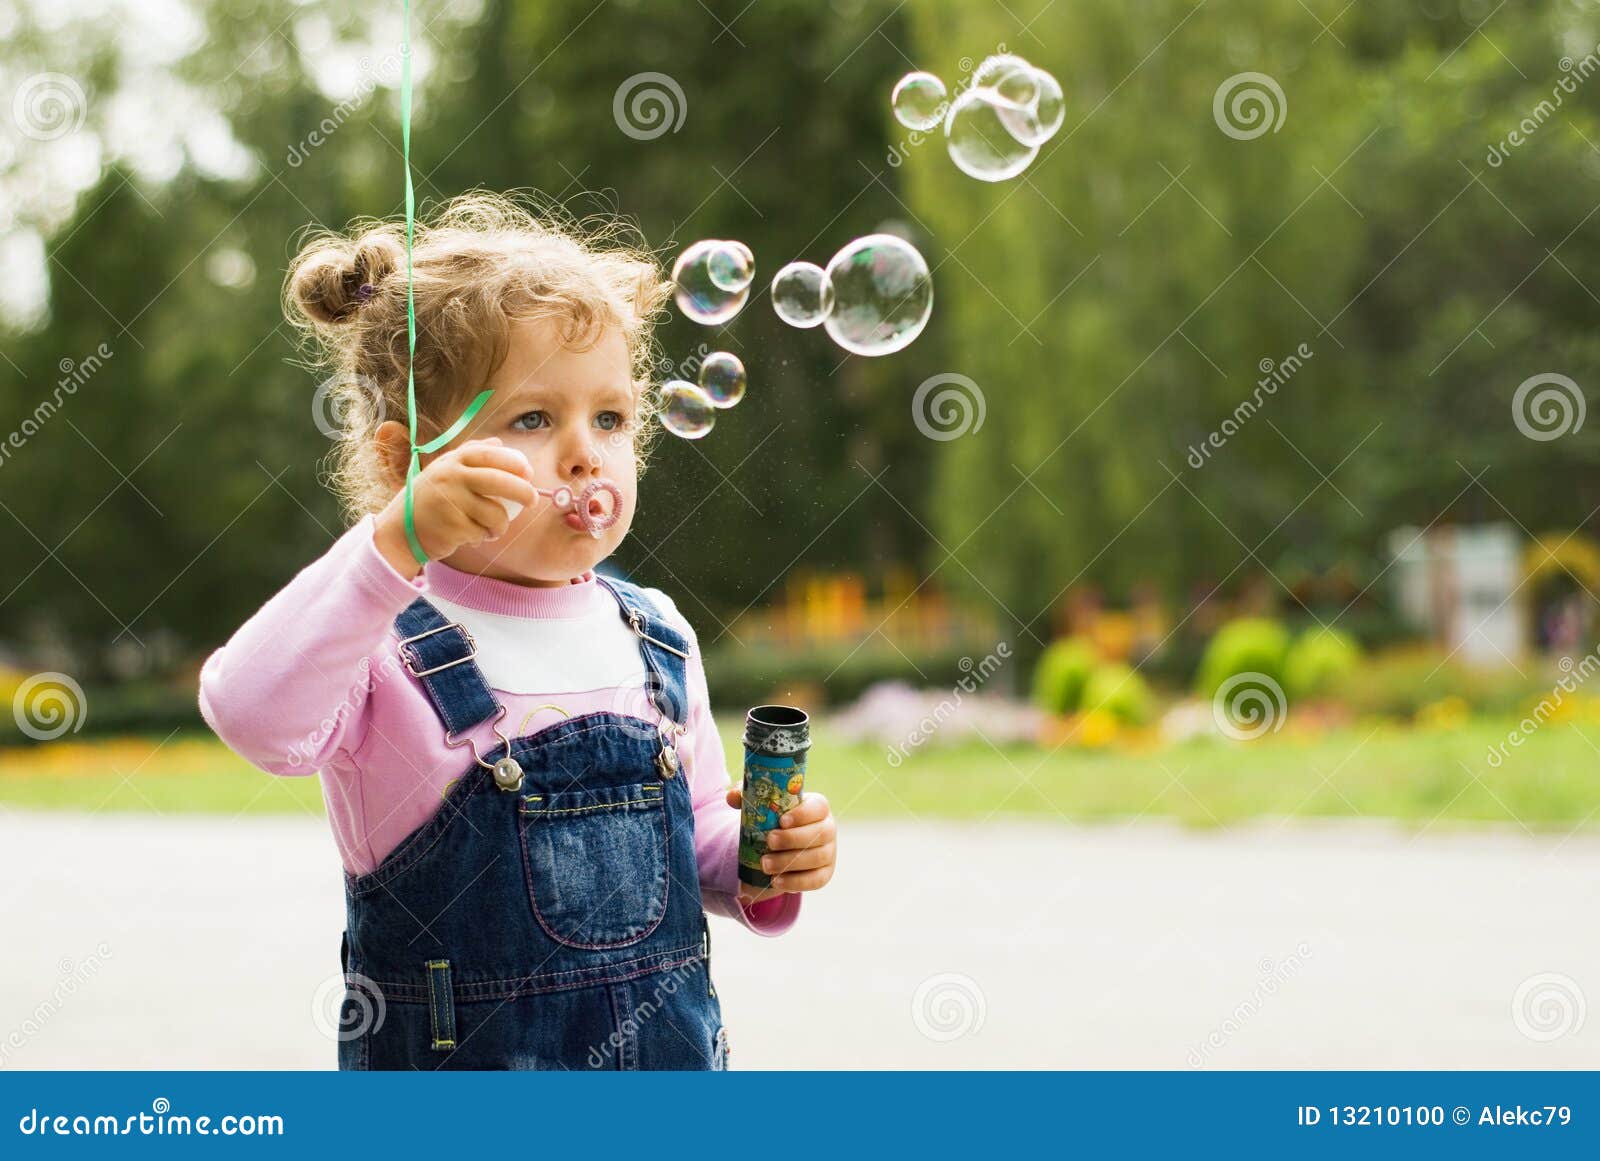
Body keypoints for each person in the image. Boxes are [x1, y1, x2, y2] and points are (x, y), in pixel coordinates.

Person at [198, 192, 837, 1069]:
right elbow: (248, 710)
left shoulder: (655, 634)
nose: (585, 452)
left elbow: (693, 845)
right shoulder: (383, 646)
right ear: (404, 460)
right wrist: (394, 542)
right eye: (535, 419)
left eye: (609, 418)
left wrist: (764, 861)